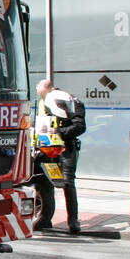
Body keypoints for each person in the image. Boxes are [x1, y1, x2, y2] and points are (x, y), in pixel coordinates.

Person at [34, 79, 83, 234]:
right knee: (43, 180)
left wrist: (59, 133)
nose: (36, 88)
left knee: (68, 182)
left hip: (66, 147)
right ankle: (44, 218)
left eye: (38, 85)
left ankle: (73, 221)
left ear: (47, 87)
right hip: (47, 146)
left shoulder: (66, 99)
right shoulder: (43, 102)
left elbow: (80, 126)